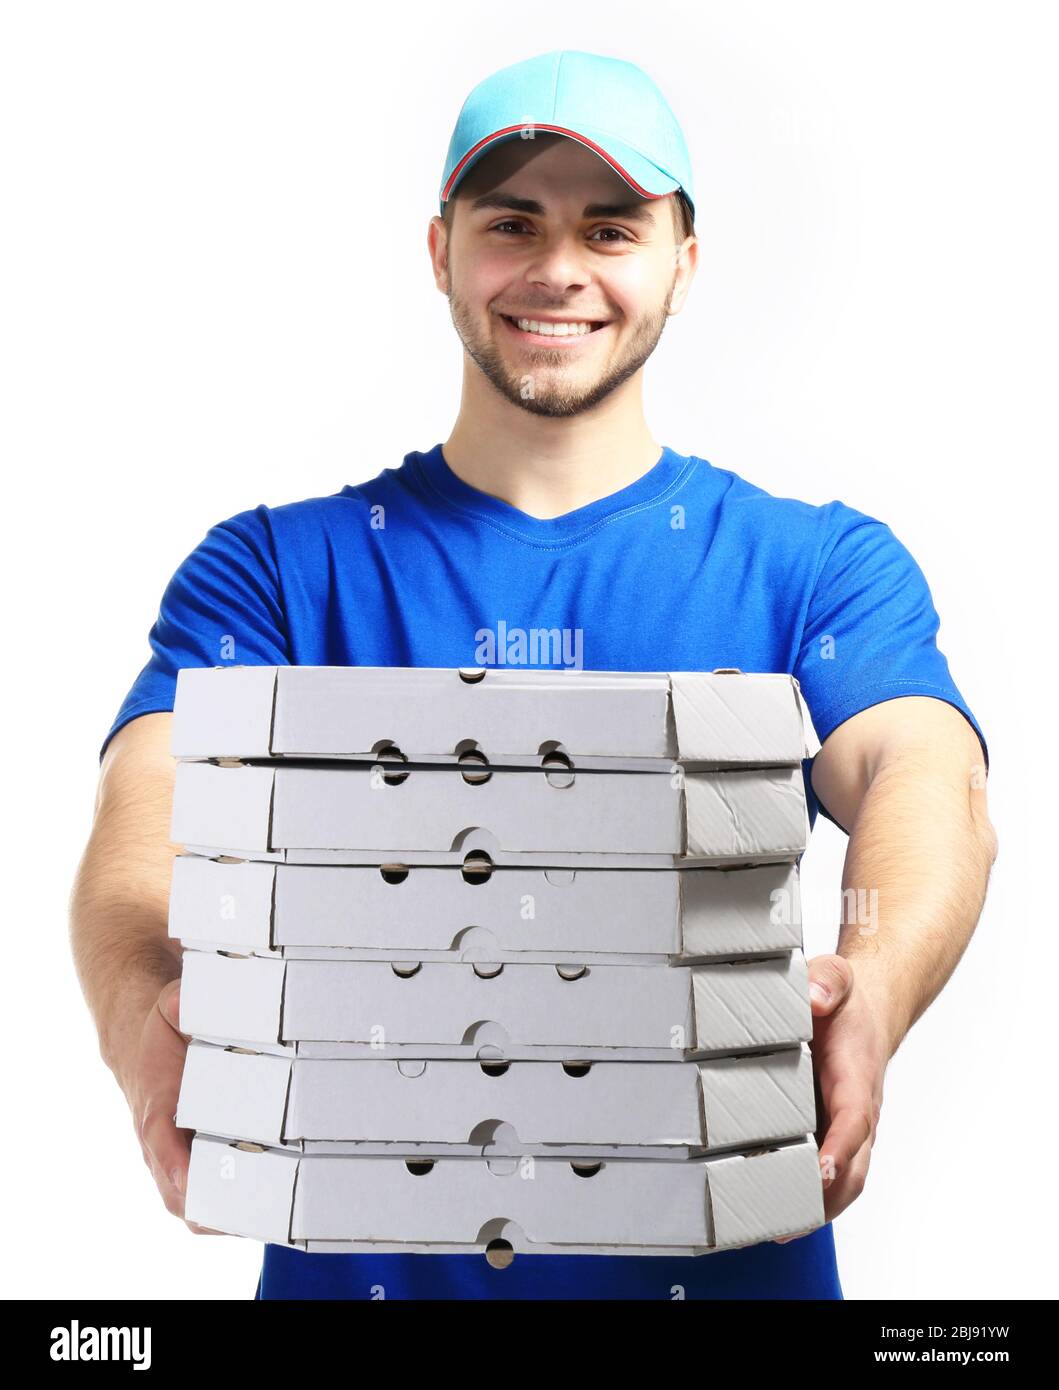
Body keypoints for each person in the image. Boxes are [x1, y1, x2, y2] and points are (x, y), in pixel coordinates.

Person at [71, 49, 998, 1301]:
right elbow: (148, 810)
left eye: (609, 226)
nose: (558, 269)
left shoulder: (813, 564)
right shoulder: (280, 572)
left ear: (684, 259)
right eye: (514, 223)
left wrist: (873, 987)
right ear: (442, 249)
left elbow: (925, 773)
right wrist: (146, 1028)